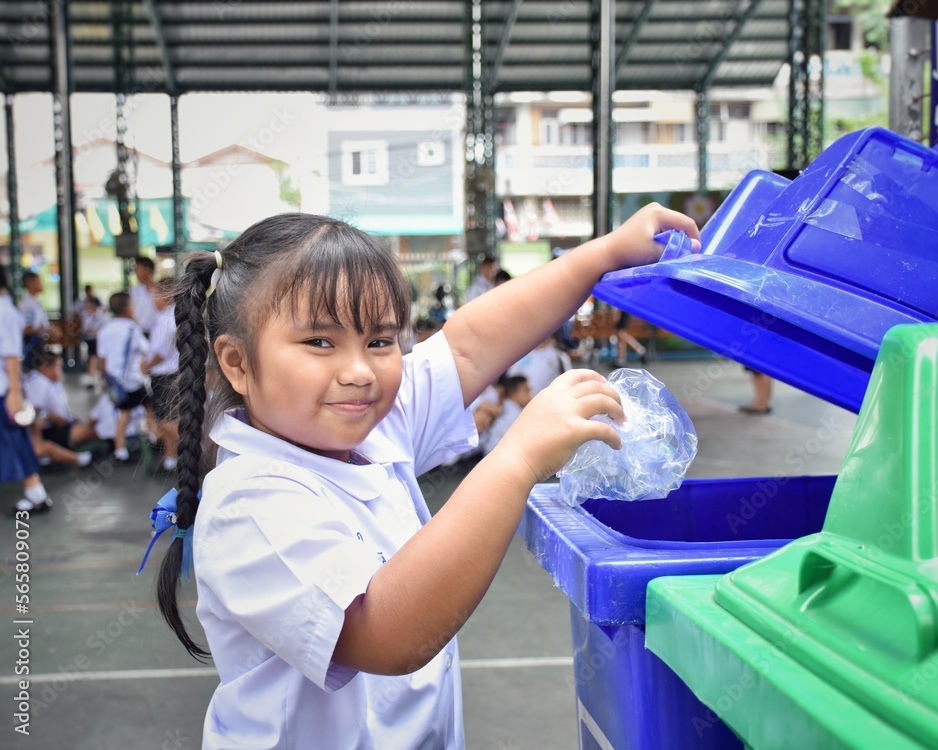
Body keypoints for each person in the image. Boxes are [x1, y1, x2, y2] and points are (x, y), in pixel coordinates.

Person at [150, 206, 698, 747]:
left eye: (380, 341)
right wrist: (517, 459)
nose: (359, 371)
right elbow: (386, 631)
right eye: (319, 342)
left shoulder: (365, 426)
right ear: (237, 363)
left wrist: (602, 254)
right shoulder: (251, 500)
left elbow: (469, 344)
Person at [1, 266, 54, 516]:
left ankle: (37, 495)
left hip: (4, 389)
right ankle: (36, 494)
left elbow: (11, 354)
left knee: (14, 440)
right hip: (6, 387)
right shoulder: (9, 308)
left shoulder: (5, 310)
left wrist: (14, 393)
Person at [96, 291, 150, 465]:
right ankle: (154, 437)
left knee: (123, 414)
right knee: (150, 406)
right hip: (133, 381)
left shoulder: (104, 330)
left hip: (115, 382)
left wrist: (106, 380)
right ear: (128, 308)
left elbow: (102, 361)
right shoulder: (132, 329)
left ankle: (120, 451)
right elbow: (147, 350)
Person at [23, 348, 98, 467]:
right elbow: (33, 413)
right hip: (50, 430)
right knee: (93, 431)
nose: (60, 370)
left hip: (62, 424)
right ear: (46, 368)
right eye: (58, 367)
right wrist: (50, 417)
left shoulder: (53, 382)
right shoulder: (39, 383)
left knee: (93, 426)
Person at [141, 278, 180, 473]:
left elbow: (160, 352)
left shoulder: (166, 319)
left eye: (155, 294)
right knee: (170, 420)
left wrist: (145, 366)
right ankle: (170, 460)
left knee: (166, 421)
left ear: (165, 295)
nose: (152, 299)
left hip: (166, 376)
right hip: (172, 374)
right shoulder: (175, 315)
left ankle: (202, 450)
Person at [479, 375, 533, 456]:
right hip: (489, 455)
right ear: (513, 394)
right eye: (526, 391)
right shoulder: (512, 415)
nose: (530, 395)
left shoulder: (506, 406)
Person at [507, 334, 572, 398]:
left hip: (549, 402)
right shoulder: (522, 354)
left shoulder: (559, 356)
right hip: (523, 404)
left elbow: (568, 381)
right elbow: (511, 378)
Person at [19, 270, 50, 367]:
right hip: (32, 346)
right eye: (39, 281)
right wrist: (47, 329)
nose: (42, 284)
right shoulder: (27, 304)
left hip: (38, 345)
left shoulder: (36, 301)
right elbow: (26, 329)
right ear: (30, 284)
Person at [130, 256, 159, 335]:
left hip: (155, 332)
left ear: (147, 270)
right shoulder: (134, 291)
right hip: (138, 332)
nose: (135, 274)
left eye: (137, 270)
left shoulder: (161, 291)